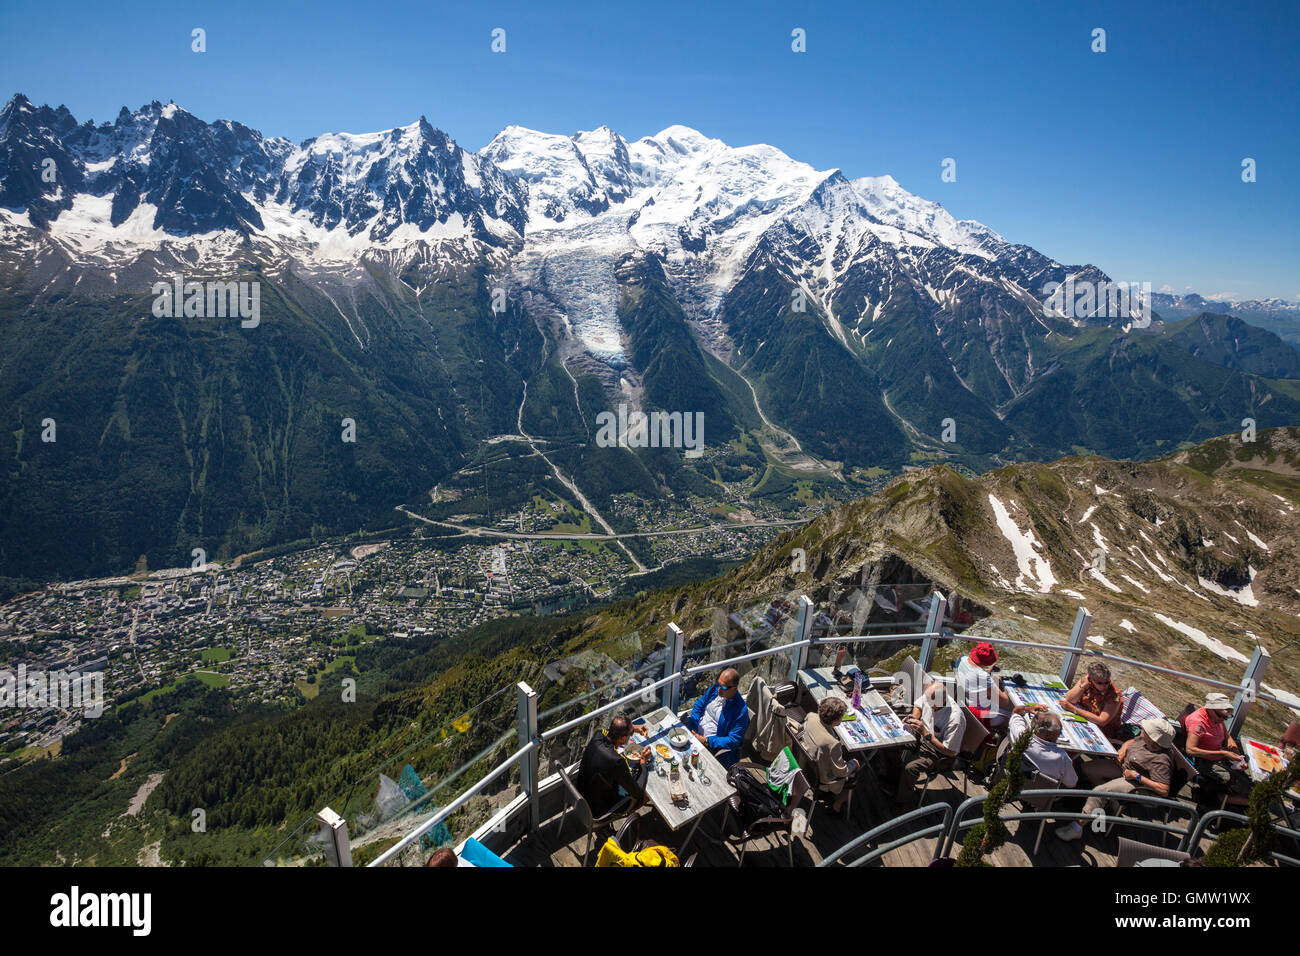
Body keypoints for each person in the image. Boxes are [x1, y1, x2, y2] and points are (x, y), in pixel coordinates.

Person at [1057, 716, 1176, 842]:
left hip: (1136, 783)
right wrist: (1124, 749)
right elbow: (1131, 741)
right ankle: (1108, 804)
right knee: (1087, 769)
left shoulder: (1161, 760)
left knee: (1100, 791)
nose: (1142, 729)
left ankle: (1077, 828)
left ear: (1154, 739)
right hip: (1123, 768)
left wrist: (1137, 776)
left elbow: (1164, 790)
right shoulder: (1145, 739)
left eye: (1146, 730)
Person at [895, 680, 967, 807]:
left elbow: (950, 751)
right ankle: (892, 779)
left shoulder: (955, 719)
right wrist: (914, 718)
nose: (927, 703)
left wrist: (926, 734)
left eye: (930, 703)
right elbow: (919, 705)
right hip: (922, 734)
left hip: (938, 752)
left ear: (942, 701)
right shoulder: (932, 696)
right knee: (893, 742)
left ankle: (903, 801)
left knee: (911, 768)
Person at [574, 714, 650, 817]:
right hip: (597, 810)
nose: (631, 735)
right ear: (623, 738)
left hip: (580, 795)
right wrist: (643, 762)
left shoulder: (598, 735)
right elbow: (637, 792)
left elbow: (613, 731)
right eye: (630, 734)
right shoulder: (617, 761)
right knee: (644, 796)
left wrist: (635, 729)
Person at [1185, 692, 1251, 802]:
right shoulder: (1198, 723)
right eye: (1222, 716)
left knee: (1245, 775)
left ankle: (1225, 796)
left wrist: (1235, 751)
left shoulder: (1216, 717)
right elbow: (1190, 749)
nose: (1224, 720)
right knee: (1243, 785)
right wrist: (1224, 754)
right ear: (1210, 709)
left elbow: (1227, 737)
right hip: (1205, 761)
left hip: (1219, 755)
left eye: (1226, 717)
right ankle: (1216, 799)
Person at [799, 697, 860, 813]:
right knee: (856, 769)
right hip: (821, 780)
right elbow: (841, 772)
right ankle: (837, 805)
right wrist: (853, 764)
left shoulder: (811, 716)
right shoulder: (832, 744)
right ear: (836, 721)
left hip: (804, 765)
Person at [685, 668, 749, 769]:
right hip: (695, 733)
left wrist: (706, 741)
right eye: (719, 683)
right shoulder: (715, 690)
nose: (719, 688)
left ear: (734, 689)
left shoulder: (740, 711)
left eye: (723, 686)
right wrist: (693, 725)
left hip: (710, 746)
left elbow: (733, 740)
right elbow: (699, 703)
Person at [1007, 704, 1078, 788]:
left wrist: (1028, 709)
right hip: (1038, 795)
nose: (1060, 733)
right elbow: (1071, 783)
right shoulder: (1061, 757)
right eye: (1059, 730)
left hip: (1011, 782)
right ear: (1049, 734)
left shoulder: (1020, 735)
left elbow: (1016, 711)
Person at [1060, 662, 1123, 741]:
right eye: (1099, 683)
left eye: (1107, 682)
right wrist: (1083, 686)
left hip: (1103, 731)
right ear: (1091, 679)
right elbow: (1070, 699)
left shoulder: (1114, 695)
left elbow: (1102, 721)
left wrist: (1074, 709)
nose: (1104, 685)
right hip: (1085, 719)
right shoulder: (1086, 681)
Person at [956, 642, 1011, 727]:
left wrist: (987, 673)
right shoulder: (983, 677)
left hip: (968, 707)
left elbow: (972, 674)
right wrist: (999, 683)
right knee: (1012, 716)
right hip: (982, 715)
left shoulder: (962, 659)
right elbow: (1004, 702)